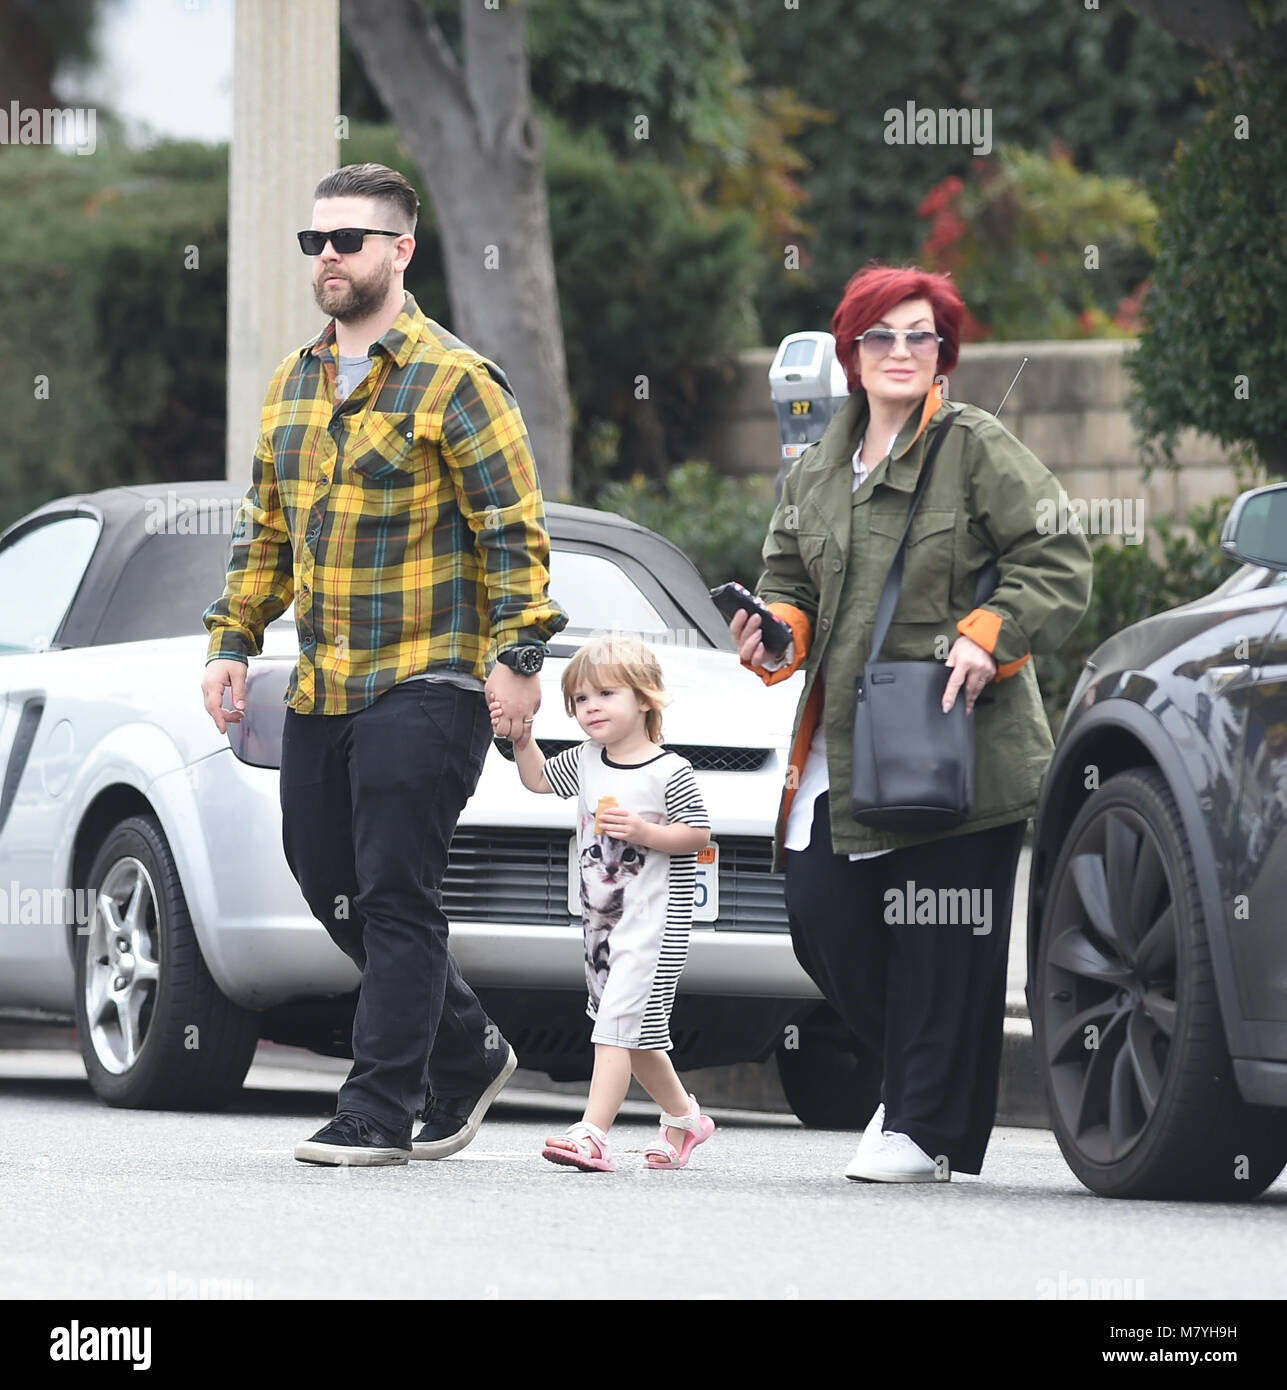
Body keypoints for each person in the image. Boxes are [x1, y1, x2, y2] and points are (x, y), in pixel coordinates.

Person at [201, 162, 568, 1166]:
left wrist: (521, 655)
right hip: (324, 684)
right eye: (315, 241)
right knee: (329, 881)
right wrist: (233, 638)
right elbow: (264, 536)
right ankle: (469, 1045)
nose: (328, 257)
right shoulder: (291, 384)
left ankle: (378, 1108)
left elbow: (512, 536)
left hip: (431, 681)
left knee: (397, 889)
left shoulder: (457, 382)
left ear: (401, 250)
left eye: (349, 240)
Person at [732, 263, 1092, 1183]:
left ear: (943, 354)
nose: (900, 351)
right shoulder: (815, 469)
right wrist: (774, 630)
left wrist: (988, 635)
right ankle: (930, 1101)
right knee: (823, 919)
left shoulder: (974, 445)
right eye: (881, 336)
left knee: (938, 944)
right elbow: (788, 584)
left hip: (957, 743)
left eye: (919, 336)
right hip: (843, 749)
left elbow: (1056, 552)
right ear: (851, 354)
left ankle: (920, 1127)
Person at [500, 634, 715, 1171]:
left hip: (653, 925)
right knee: (636, 1038)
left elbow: (698, 835)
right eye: (580, 700)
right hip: (600, 927)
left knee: (614, 1027)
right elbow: (538, 781)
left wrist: (645, 830)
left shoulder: (669, 771)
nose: (590, 707)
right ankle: (686, 1119)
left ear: (644, 698)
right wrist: (523, 738)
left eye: (606, 694)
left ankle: (592, 1133)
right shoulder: (587, 760)